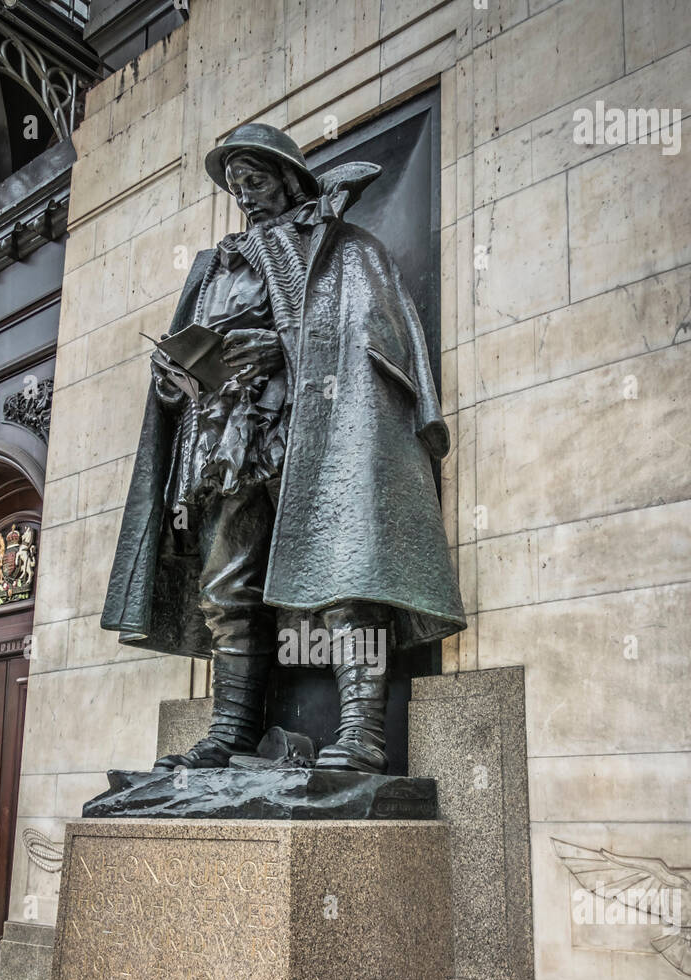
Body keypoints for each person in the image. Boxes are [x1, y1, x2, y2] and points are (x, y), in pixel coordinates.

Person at [101, 124, 465, 772]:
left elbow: (368, 331)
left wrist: (287, 350)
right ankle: (231, 729)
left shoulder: (343, 249)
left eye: (257, 179)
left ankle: (362, 732)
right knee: (224, 585)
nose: (245, 194)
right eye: (236, 184)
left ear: (290, 178)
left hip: (313, 428)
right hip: (229, 440)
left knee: (344, 570)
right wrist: (173, 380)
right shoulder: (216, 266)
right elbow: (189, 347)